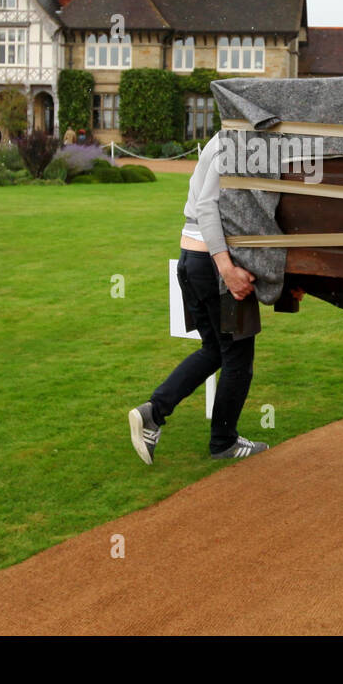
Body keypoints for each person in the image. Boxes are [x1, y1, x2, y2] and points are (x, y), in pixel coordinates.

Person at [128, 134, 269, 464]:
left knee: (214, 350)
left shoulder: (224, 136)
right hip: (213, 266)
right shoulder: (237, 139)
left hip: (191, 261)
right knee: (238, 359)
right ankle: (224, 441)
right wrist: (227, 268)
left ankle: (154, 411)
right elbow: (208, 205)